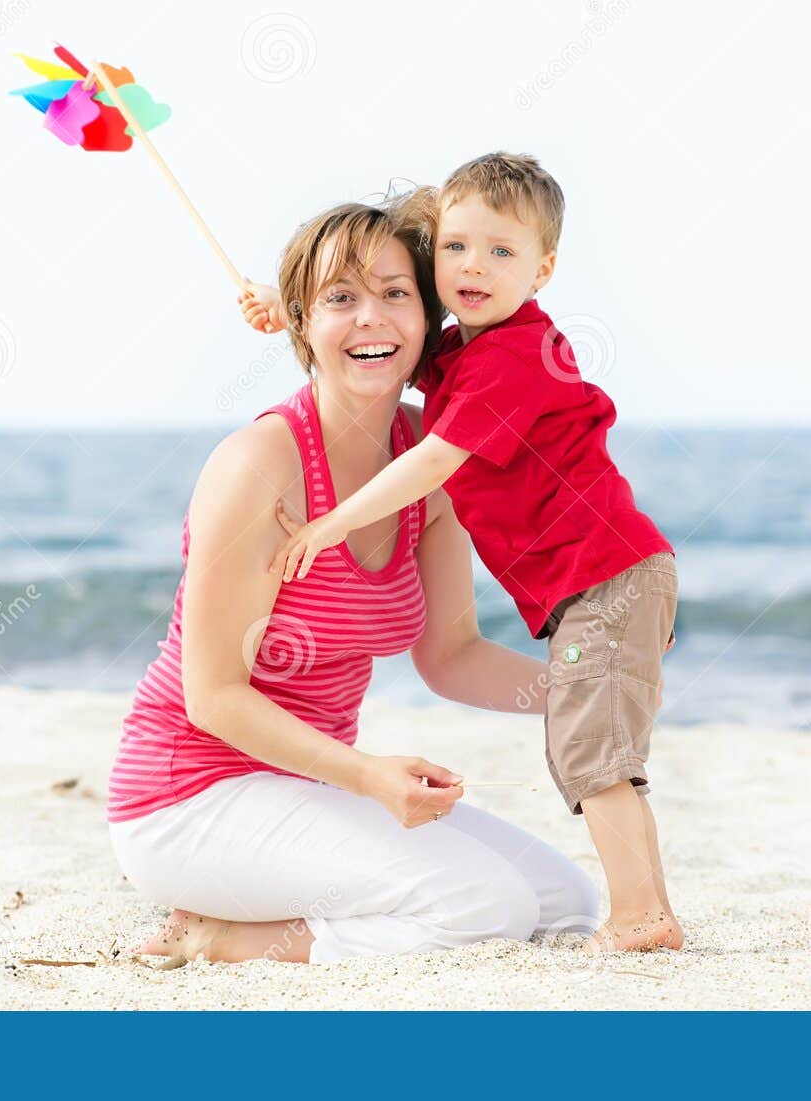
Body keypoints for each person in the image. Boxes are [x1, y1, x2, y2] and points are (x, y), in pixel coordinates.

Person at [107, 196, 599, 964]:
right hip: (189, 799)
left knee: (565, 901)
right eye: (341, 298)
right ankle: (224, 935)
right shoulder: (258, 466)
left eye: (396, 293)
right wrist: (368, 774)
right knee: (483, 905)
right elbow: (213, 695)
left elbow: (453, 654)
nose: (372, 318)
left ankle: (249, 916)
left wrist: (581, 687)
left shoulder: (430, 461)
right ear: (302, 323)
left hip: (308, 787)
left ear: (427, 320)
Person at [241, 153, 681, 952]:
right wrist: (290, 306)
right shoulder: (463, 348)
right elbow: (382, 342)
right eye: (456, 248)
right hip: (603, 579)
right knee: (598, 746)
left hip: (608, 574)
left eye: (502, 252)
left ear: (542, 269)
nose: (474, 266)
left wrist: (331, 522)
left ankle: (642, 915)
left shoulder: (513, 356)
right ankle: (647, 907)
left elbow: (434, 459)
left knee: (593, 757)